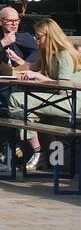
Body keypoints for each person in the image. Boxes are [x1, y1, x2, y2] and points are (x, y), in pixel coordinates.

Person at [15, 19, 81, 171]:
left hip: (71, 102)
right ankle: (39, 152)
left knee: (16, 100)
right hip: (56, 99)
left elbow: (64, 85)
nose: (37, 41)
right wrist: (13, 66)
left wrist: (40, 77)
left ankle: (37, 151)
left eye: (39, 37)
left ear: (50, 35)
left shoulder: (63, 54)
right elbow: (31, 66)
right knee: (24, 114)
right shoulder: (47, 53)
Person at [0, 5, 39, 69]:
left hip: (20, 75)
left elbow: (39, 53)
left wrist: (23, 63)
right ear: (0, 21)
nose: (14, 24)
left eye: (17, 20)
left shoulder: (25, 37)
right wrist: (2, 43)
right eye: (10, 20)